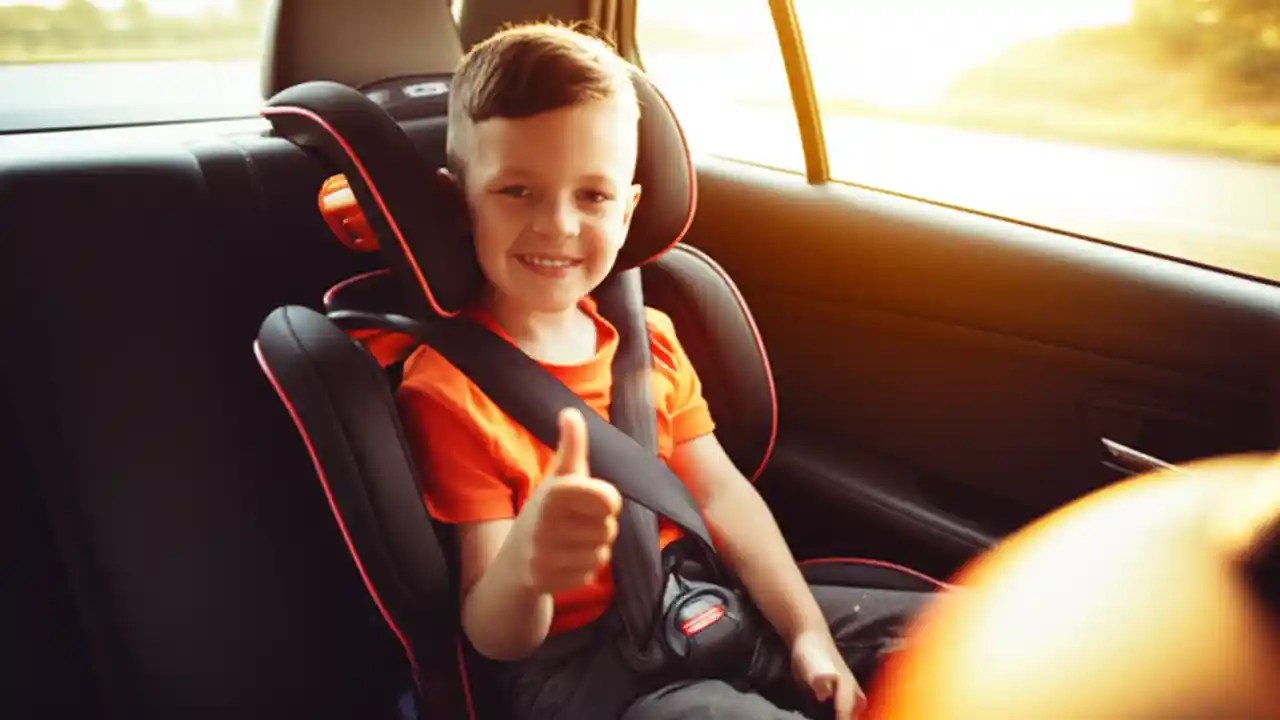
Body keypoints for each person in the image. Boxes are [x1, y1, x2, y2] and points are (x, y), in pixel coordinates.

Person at [395, 20, 930, 720]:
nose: (558, 224)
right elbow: (492, 634)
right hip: (585, 673)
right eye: (517, 190)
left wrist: (808, 633)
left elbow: (723, 496)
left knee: (962, 636)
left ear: (628, 211)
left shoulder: (649, 341)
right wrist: (530, 568)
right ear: (460, 203)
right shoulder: (449, 388)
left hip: (699, 606)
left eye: (592, 196)